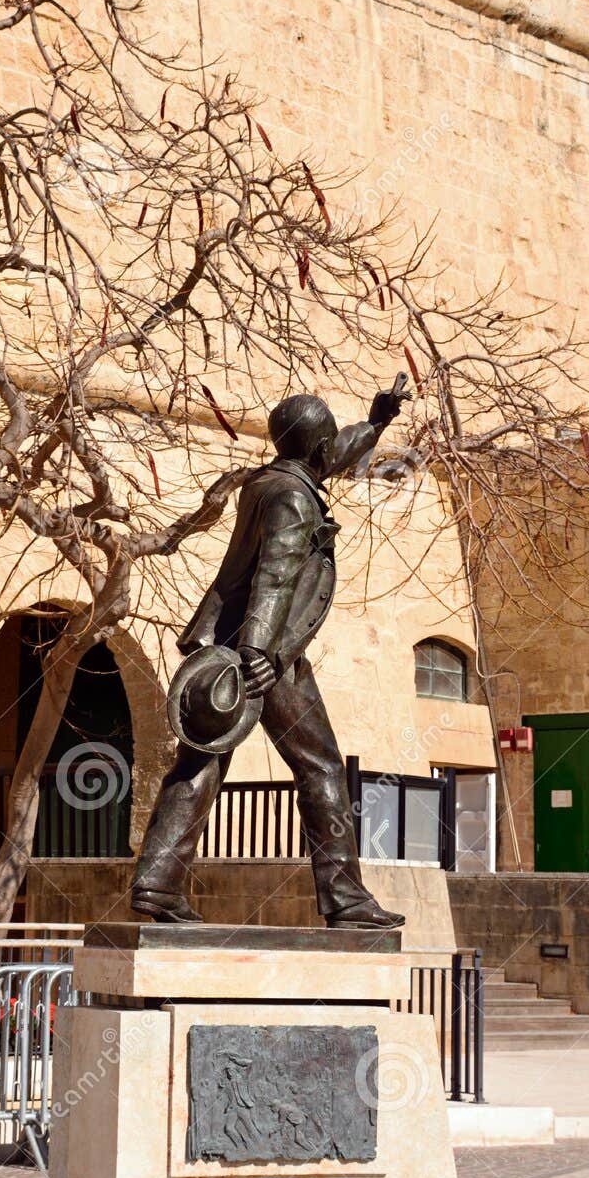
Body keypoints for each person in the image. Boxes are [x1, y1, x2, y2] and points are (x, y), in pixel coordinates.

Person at [131, 380, 412, 929]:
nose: (332, 454)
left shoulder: (272, 478)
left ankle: (156, 883)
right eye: (327, 445)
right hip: (263, 651)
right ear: (313, 450)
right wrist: (262, 652)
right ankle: (346, 898)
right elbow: (276, 575)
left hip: (228, 644)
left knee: (201, 762)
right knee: (322, 766)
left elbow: (328, 457)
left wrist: (375, 424)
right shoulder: (291, 496)